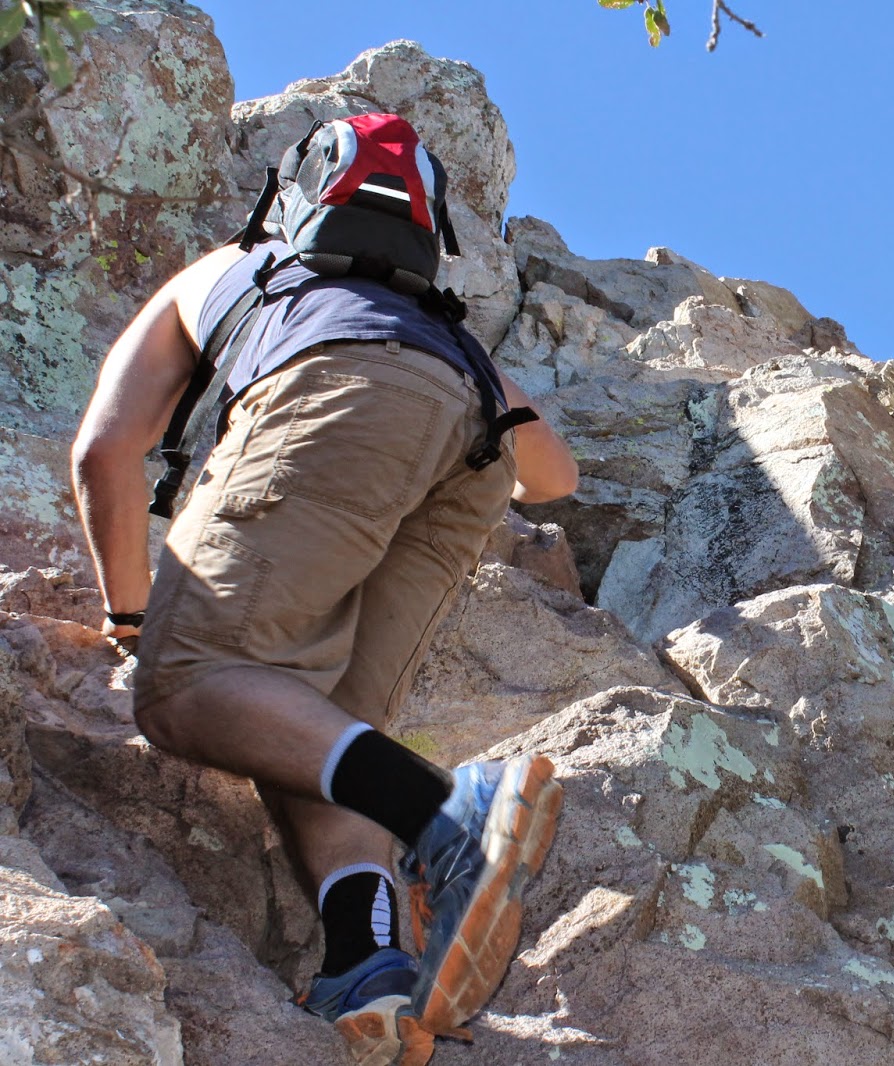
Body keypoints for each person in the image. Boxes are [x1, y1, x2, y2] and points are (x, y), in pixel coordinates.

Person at [71, 228, 578, 1065]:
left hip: (332, 393)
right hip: (471, 446)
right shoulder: (433, 317)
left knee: (187, 683)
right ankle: (365, 968)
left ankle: (448, 817)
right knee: (316, 731)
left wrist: (130, 622)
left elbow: (105, 450)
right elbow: (554, 479)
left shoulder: (239, 267)